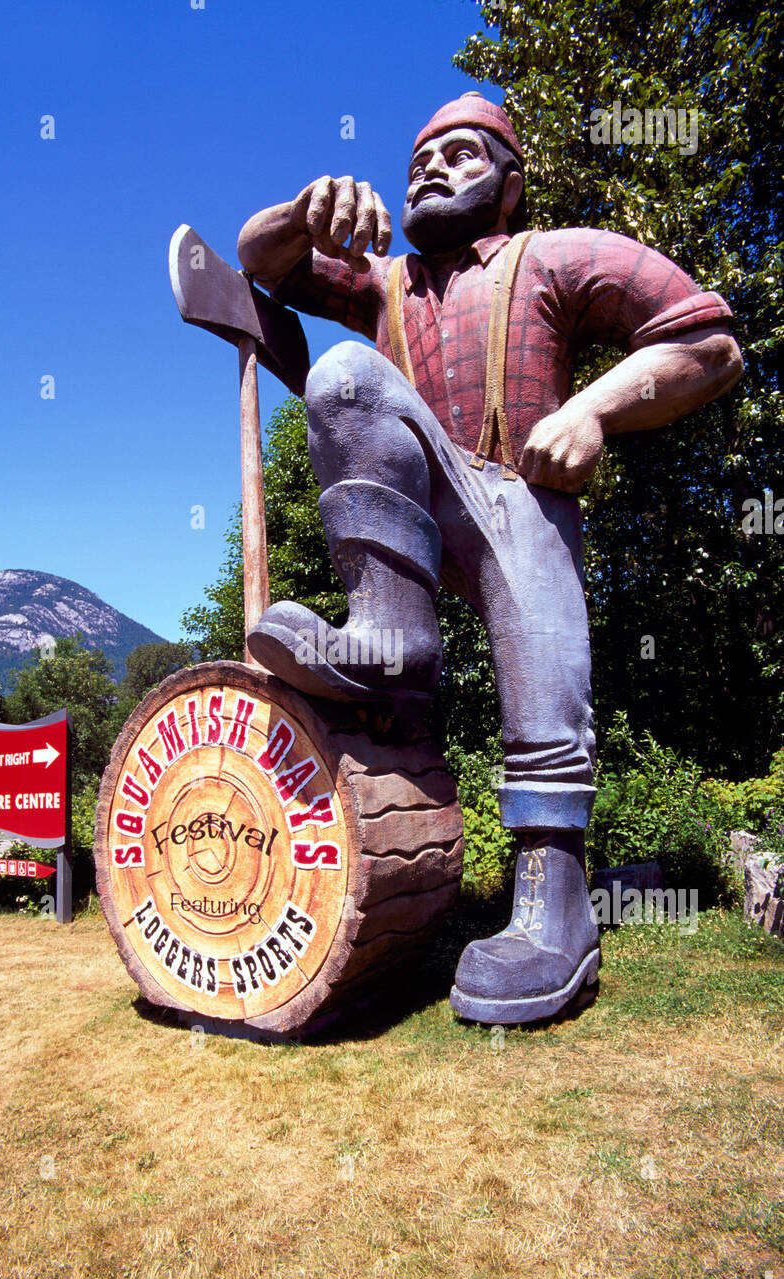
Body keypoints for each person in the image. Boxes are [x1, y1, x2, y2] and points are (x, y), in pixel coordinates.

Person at [236, 93, 743, 1023]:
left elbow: (707, 342)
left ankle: (552, 896)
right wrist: (304, 213)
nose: (430, 168)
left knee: (538, 597)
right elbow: (258, 259)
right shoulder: (384, 284)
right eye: (421, 157)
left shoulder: (554, 255)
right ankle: (391, 634)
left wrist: (593, 409)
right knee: (346, 375)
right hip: (419, 502)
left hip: (517, 498)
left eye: (462, 155)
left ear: (510, 187)